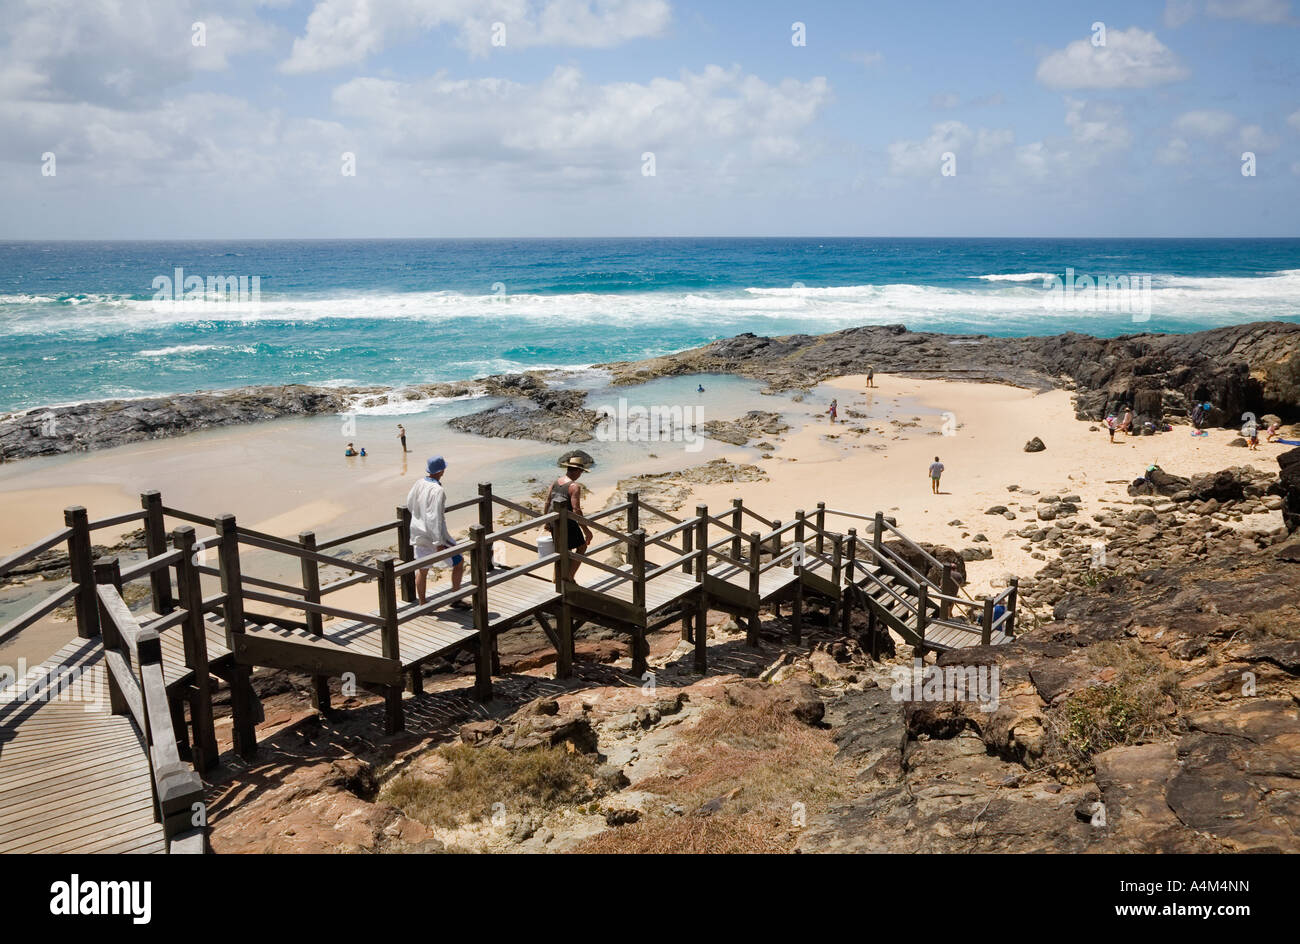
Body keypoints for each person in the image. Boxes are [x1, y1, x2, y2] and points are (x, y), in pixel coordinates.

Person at [405, 455, 468, 607]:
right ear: (441, 470)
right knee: (459, 562)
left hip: (418, 533)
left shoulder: (419, 483)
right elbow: (435, 518)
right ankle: (455, 598)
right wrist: (438, 542)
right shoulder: (438, 490)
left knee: (422, 569)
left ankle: (422, 602)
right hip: (435, 536)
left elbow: (409, 503)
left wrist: (419, 517)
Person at [546, 450, 595, 579]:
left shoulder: (556, 482)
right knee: (582, 547)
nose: (581, 475)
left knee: (563, 551)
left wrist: (546, 522)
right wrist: (586, 530)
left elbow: (547, 502)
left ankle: (557, 578)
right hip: (567, 523)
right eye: (581, 472)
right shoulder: (574, 486)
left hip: (554, 521)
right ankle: (569, 577)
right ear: (577, 471)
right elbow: (576, 510)